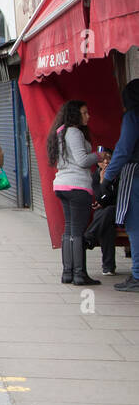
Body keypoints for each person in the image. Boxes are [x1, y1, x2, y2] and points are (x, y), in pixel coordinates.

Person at [49, 100, 101, 286]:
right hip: (77, 186)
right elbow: (82, 160)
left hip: (62, 185)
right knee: (78, 231)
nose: (88, 116)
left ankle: (68, 273)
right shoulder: (74, 132)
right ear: (74, 115)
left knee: (69, 230)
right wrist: (99, 156)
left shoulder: (60, 131)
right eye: (84, 113)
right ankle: (80, 274)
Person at [103, 79, 139, 292]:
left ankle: (137, 274)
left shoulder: (133, 116)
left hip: (135, 175)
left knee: (134, 225)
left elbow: (123, 150)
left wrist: (108, 178)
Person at [85, 148, 118, 276]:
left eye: (108, 158)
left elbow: (115, 197)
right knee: (105, 221)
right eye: (102, 159)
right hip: (107, 212)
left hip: (120, 209)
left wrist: (105, 184)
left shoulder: (119, 174)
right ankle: (108, 267)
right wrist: (102, 182)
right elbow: (100, 198)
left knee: (107, 211)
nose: (105, 162)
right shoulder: (96, 175)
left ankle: (89, 237)